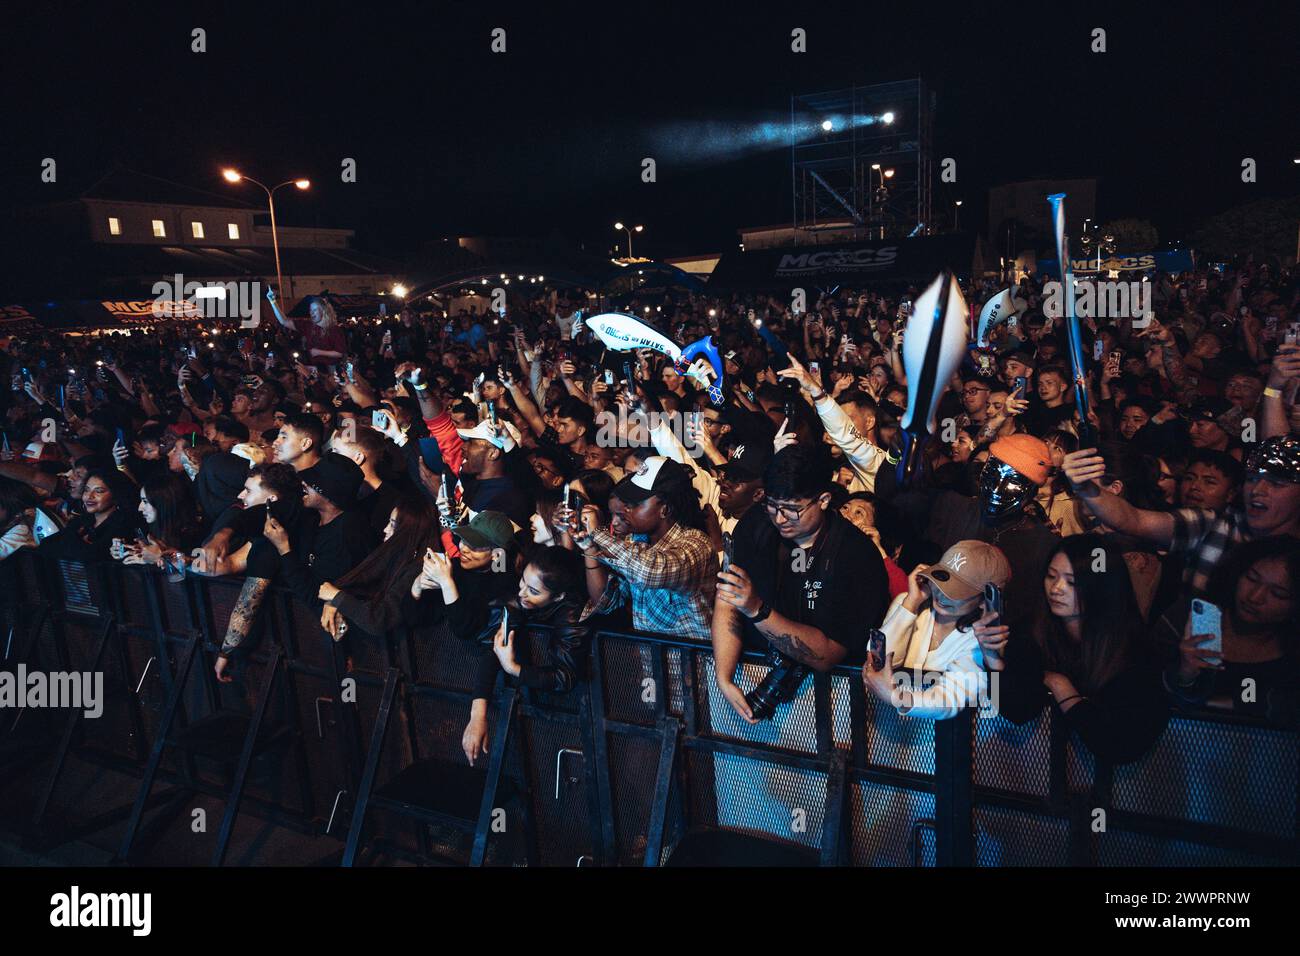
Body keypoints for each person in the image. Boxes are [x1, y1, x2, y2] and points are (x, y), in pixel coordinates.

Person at [713, 445, 889, 722]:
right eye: (772, 504)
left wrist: (757, 609)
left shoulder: (855, 555)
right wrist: (724, 676)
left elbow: (828, 654)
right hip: (750, 677)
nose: (780, 518)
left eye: (792, 509)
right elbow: (727, 600)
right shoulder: (756, 524)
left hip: (830, 697)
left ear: (823, 500)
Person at [986, 535, 1169, 764]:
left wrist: (1063, 689)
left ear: (1102, 587)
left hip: (1118, 780)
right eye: (1051, 576)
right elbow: (1016, 711)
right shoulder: (1030, 631)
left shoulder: (1133, 649)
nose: (1056, 588)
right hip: (1037, 771)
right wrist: (993, 660)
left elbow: (1120, 745)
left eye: (1071, 582)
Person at [1062, 434, 1300, 595]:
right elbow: (1133, 520)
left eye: (1276, 484)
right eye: (1253, 479)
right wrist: (1086, 489)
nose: (1258, 490)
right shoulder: (1213, 524)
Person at [459, 547, 592, 765]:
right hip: (535, 707)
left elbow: (565, 677)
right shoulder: (519, 598)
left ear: (559, 596)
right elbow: (493, 647)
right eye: (522, 581)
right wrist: (477, 716)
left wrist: (513, 668)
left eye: (533, 591)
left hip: (582, 711)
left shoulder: (573, 615)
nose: (522, 593)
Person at [569, 456, 717, 640]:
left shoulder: (697, 544)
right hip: (651, 656)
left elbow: (650, 571)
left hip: (694, 657)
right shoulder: (635, 541)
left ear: (665, 509)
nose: (625, 511)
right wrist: (590, 546)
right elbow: (606, 602)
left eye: (634, 504)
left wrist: (598, 533)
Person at [1159, 536, 1300, 724]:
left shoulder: (1292, 655)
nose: (1255, 597)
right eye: (1251, 578)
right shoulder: (1187, 618)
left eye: (1278, 593)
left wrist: (1238, 704)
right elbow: (1143, 690)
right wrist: (1185, 674)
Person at [863, 541, 1010, 720]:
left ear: (984, 600)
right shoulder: (908, 603)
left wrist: (895, 697)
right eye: (941, 580)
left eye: (956, 591)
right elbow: (876, 661)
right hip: (883, 728)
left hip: (930, 735)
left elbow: (948, 699)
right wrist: (910, 605)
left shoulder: (978, 640)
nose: (942, 594)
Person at [317, 493, 439, 643]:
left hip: (422, 651)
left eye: (393, 525)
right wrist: (333, 602)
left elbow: (378, 619)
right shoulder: (397, 559)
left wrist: (337, 597)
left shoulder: (419, 569)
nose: (385, 529)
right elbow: (363, 584)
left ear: (407, 531)